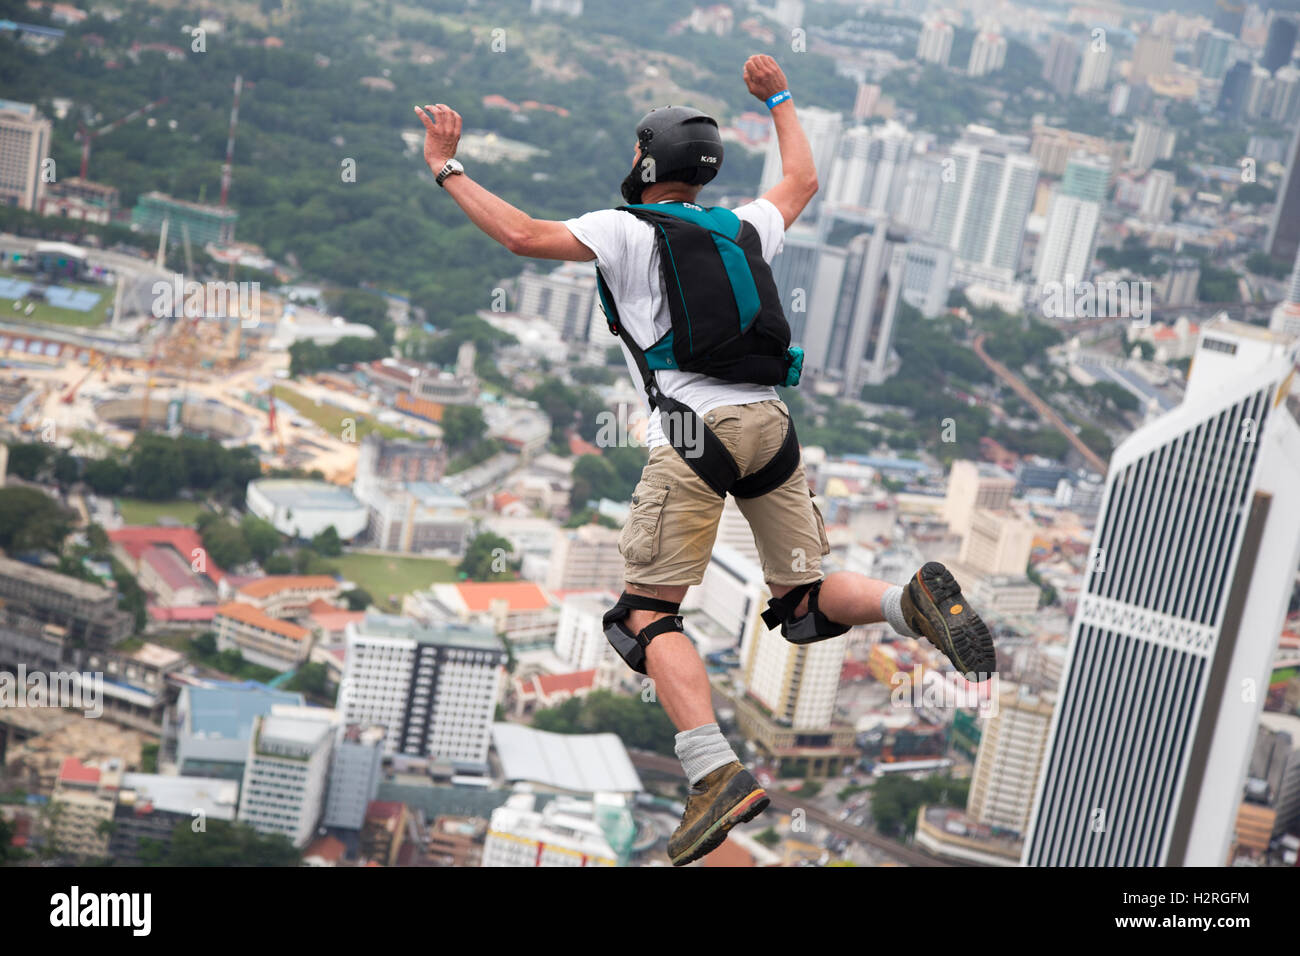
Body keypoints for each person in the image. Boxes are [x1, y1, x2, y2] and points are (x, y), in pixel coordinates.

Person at [416, 54, 997, 867]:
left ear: (647, 163)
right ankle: (911, 603)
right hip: (771, 424)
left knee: (644, 616)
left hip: (693, 430)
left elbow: (518, 235)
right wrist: (780, 99)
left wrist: (447, 166)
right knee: (802, 603)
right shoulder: (743, 225)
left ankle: (713, 774)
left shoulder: (625, 229)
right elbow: (803, 180)